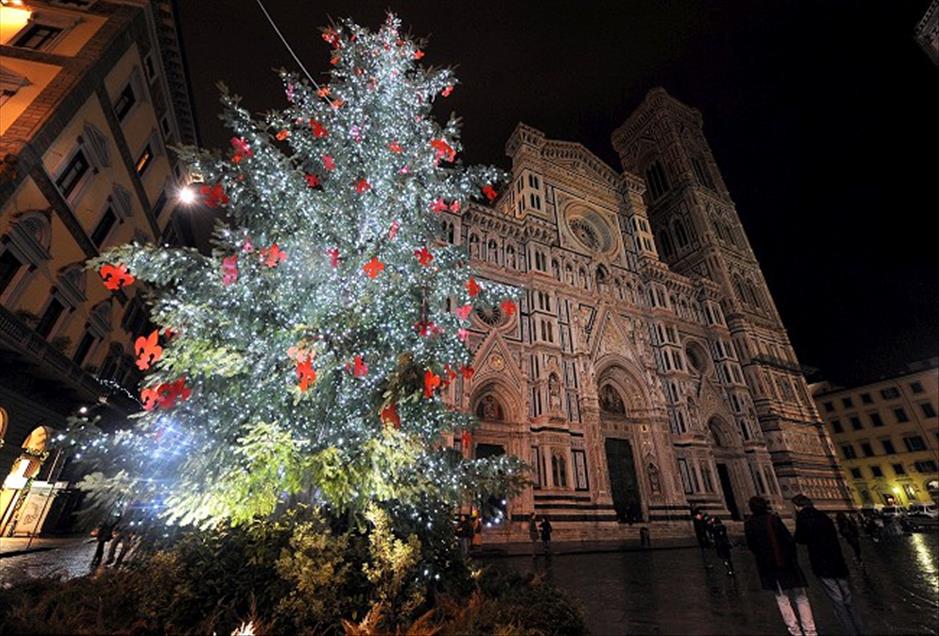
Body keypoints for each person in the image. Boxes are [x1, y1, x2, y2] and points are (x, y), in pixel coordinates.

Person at [745, 496, 816, 636]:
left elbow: (752, 546)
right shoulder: (773, 519)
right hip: (787, 563)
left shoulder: (749, 524)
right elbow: (788, 539)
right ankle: (810, 630)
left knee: (782, 598)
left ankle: (794, 631)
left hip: (769, 566)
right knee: (801, 596)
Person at [792, 495, 864, 635]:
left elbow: (800, 538)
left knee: (836, 599)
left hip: (821, 563)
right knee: (848, 598)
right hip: (837, 561)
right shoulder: (825, 517)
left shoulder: (803, 519)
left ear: (797, 506)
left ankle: (849, 631)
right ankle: (859, 629)